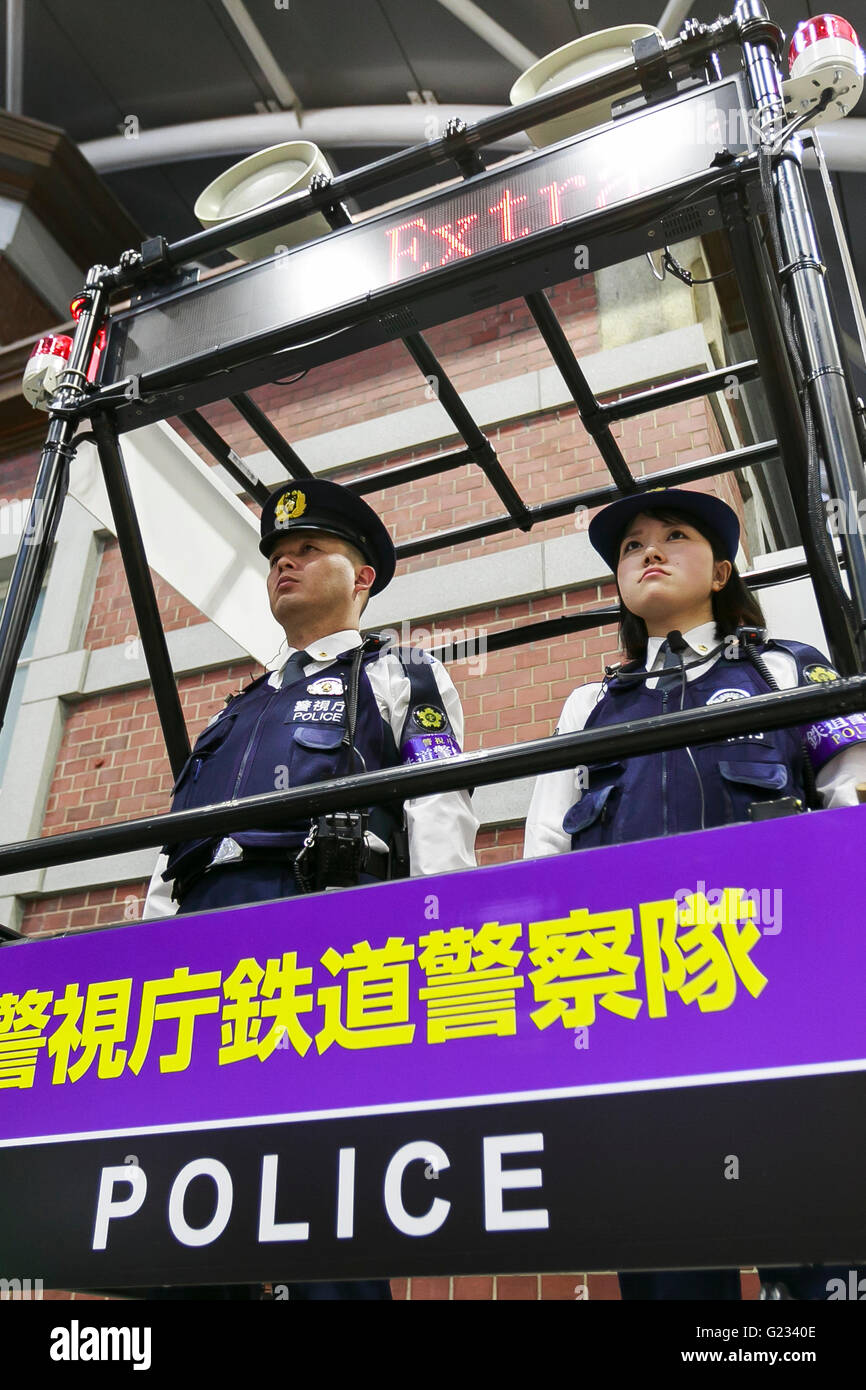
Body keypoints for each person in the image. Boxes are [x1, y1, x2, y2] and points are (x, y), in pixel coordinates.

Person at [523, 485, 866, 1301]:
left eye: (673, 535)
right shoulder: (587, 706)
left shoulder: (789, 668)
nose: (648, 550)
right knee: (668, 1266)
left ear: (720, 571)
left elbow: (851, 808)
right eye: (631, 543)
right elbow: (546, 859)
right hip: (634, 1010)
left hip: (781, 992)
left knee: (823, 1253)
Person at [140, 479, 478, 1299]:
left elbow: (438, 813)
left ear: (361, 577)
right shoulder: (238, 709)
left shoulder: (401, 674)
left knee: (320, 1203)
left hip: (323, 944)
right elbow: (171, 859)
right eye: (276, 557)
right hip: (196, 963)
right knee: (189, 1209)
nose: (284, 564)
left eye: (308, 551)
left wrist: (446, 959)